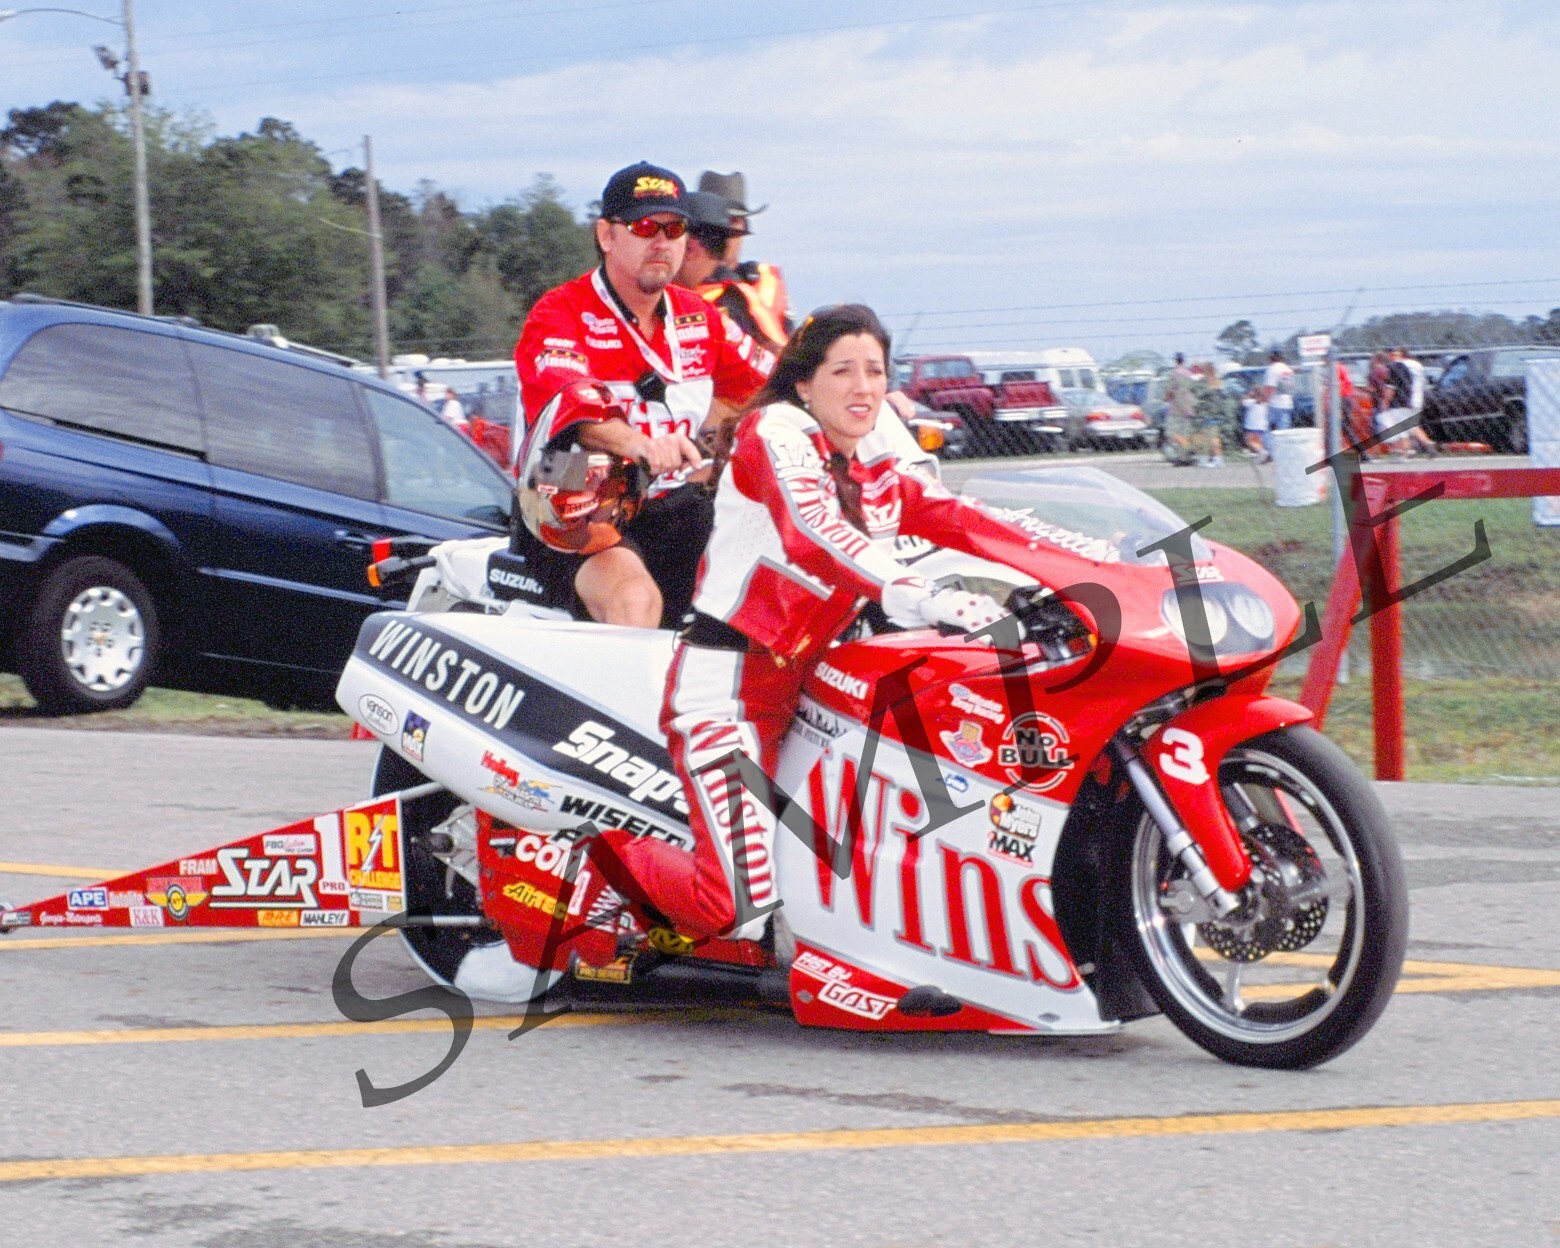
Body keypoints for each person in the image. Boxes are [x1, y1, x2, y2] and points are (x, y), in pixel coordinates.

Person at [577, 304, 1087, 949]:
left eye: (874, 371)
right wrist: (924, 595)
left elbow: (968, 519)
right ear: (804, 382)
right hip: (730, 688)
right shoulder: (775, 430)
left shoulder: (868, 464)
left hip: (819, 690)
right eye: (842, 370)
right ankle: (579, 866)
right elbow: (814, 533)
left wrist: (1100, 560)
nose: (863, 386)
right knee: (734, 904)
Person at [510, 161, 776, 629]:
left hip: (671, 503)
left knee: (778, 585)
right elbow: (575, 406)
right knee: (635, 601)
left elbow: (771, 385)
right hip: (570, 502)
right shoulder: (560, 312)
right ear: (607, 236)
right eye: (644, 226)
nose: (661, 241)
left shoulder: (700, 317)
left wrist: (843, 386)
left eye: (674, 229)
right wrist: (641, 446)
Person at [683, 171, 793, 350]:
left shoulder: (765, 282)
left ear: (744, 226)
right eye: (715, 224)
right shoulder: (671, 285)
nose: (725, 231)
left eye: (732, 220)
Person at [1376, 345, 1438, 457]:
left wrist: (1385, 401)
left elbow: (1392, 385)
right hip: (1417, 396)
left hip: (1405, 399)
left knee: (1402, 425)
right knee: (1410, 425)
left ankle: (1405, 451)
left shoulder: (1399, 366)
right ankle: (1426, 444)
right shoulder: (1417, 365)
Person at [1160, 354, 1199, 466]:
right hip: (1189, 407)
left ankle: (1187, 449)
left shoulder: (1174, 374)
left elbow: (1170, 391)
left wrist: (1166, 398)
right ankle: (1184, 457)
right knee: (1185, 433)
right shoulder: (1189, 374)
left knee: (1172, 433)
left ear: (1175, 361)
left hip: (1176, 408)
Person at [1260, 349, 1296, 433]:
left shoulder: (1272, 369)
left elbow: (1269, 388)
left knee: (1264, 429)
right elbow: (1292, 387)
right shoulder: (1288, 369)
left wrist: (1264, 404)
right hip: (1287, 404)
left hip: (1274, 404)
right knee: (1283, 433)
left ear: (1271, 359)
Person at [1241, 381, 1270, 460]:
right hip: (1262, 426)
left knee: (1249, 441)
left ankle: (1262, 452)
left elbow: (1242, 402)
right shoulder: (1265, 403)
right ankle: (1260, 456)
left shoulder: (1251, 402)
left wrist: (1248, 395)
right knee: (1258, 442)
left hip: (1252, 426)